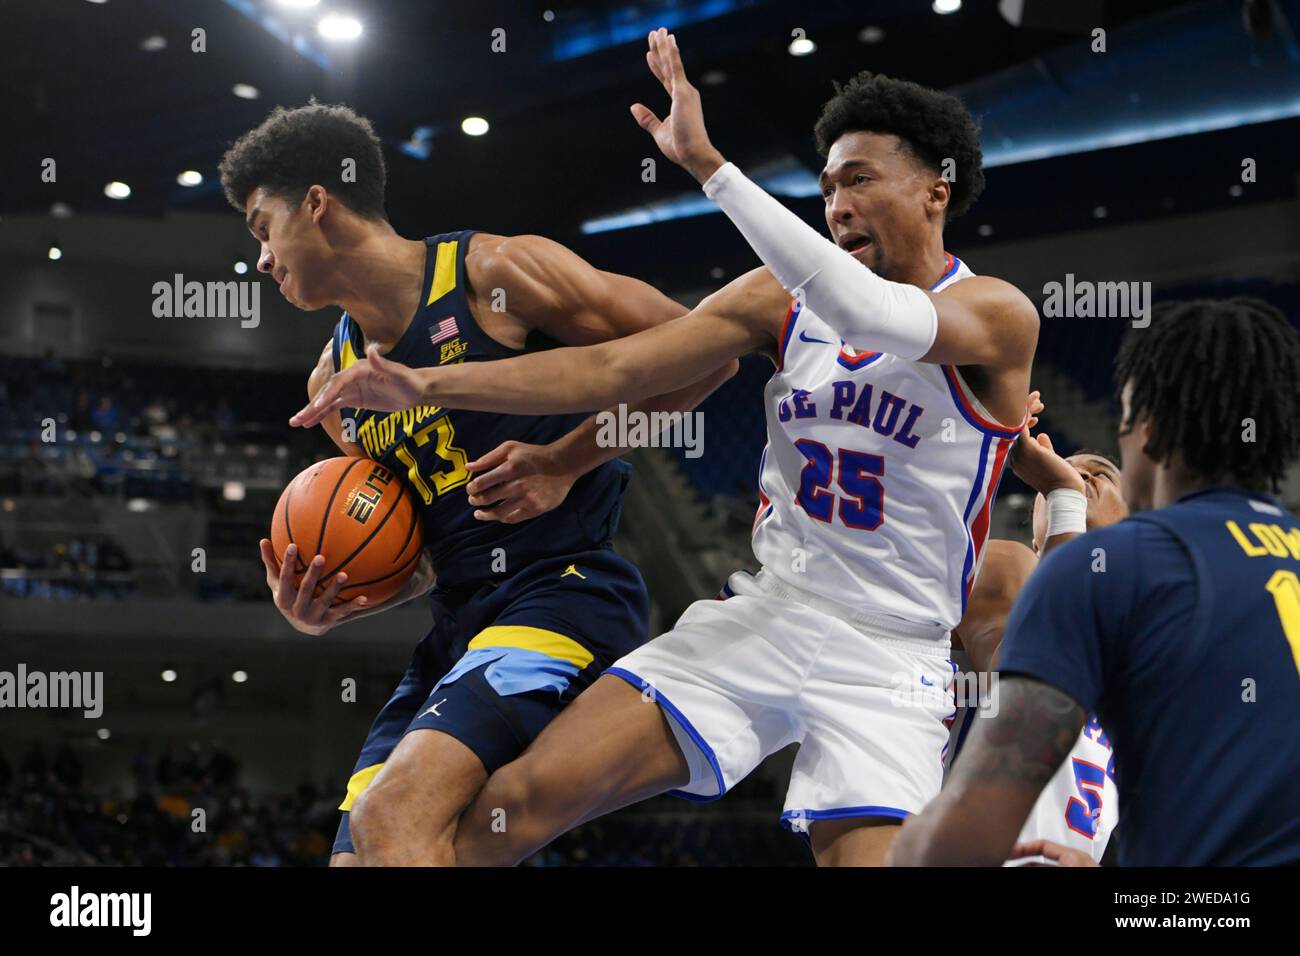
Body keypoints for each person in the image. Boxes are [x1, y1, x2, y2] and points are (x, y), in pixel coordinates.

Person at [296, 30, 1039, 866]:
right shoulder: (779, 301)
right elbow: (611, 366)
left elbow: (873, 317)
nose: (836, 204)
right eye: (827, 186)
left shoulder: (996, 313)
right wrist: (437, 388)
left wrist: (707, 165)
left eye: (860, 179)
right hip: (769, 612)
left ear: (938, 188)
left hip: (892, 655)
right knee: (506, 810)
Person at [218, 101, 735, 866]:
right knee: (361, 853)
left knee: (395, 813)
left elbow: (709, 355)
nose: (260, 258)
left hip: (563, 591)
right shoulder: (334, 382)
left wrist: (565, 461)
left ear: (318, 203)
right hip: (455, 625)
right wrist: (332, 605)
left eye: (263, 227)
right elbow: (420, 555)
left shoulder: (493, 273)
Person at [892, 298, 1300, 866]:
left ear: (1147, 432)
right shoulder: (1016, 567)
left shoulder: (1128, 569)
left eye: (1099, 472)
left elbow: (965, 831)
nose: (1083, 479)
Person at [950, 440, 1128, 866]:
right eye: (1069, 471)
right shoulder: (1007, 569)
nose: (1082, 475)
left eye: (1100, 471)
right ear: (1035, 537)